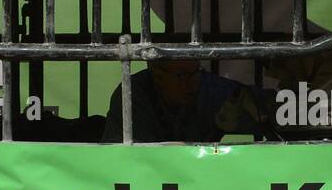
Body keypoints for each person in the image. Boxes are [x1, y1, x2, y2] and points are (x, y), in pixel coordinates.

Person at [101, 59, 248, 143]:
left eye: (196, 72)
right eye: (181, 75)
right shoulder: (133, 94)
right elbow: (136, 159)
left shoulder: (205, 86)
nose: (192, 82)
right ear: (157, 75)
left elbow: (258, 100)